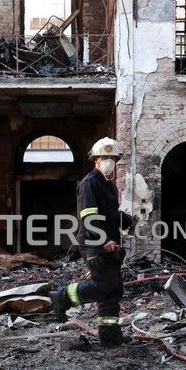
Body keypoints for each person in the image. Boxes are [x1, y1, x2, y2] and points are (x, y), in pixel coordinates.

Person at [50, 138, 134, 346]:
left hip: (111, 245)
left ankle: (109, 335)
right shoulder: (90, 183)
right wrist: (103, 239)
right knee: (105, 284)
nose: (109, 161)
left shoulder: (108, 185)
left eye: (112, 158)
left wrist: (129, 221)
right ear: (95, 159)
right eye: (104, 157)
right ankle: (62, 297)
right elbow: (89, 217)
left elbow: (111, 214)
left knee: (114, 290)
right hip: (95, 244)